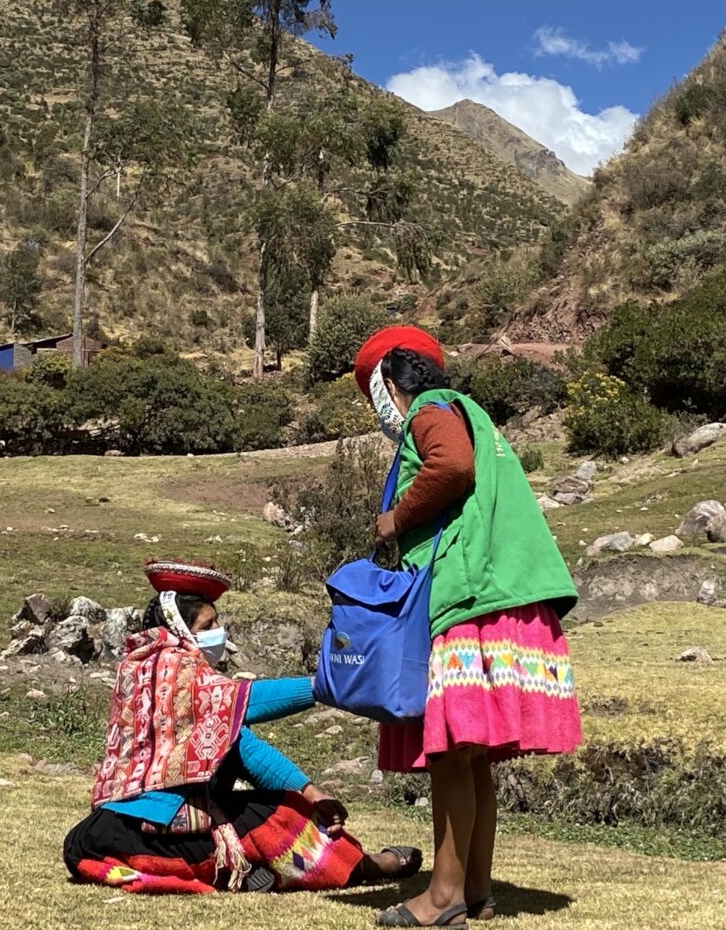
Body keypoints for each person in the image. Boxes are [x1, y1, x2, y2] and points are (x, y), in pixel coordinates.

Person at [354, 328, 583, 927]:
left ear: (388, 385)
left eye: (372, 395)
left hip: (468, 593)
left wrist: (394, 520)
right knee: (472, 757)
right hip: (502, 590)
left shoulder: (430, 411)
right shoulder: (473, 415)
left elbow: (451, 466)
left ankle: (443, 896)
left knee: (452, 754)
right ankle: (476, 889)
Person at [64, 558, 422, 896]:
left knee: (277, 803)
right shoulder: (178, 670)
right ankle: (366, 866)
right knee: (285, 817)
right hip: (159, 830)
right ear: (180, 630)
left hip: (100, 833)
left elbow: (238, 745)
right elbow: (245, 703)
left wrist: (310, 791)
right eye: (207, 626)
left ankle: (244, 870)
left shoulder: (141, 668)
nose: (218, 633)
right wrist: (324, 687)